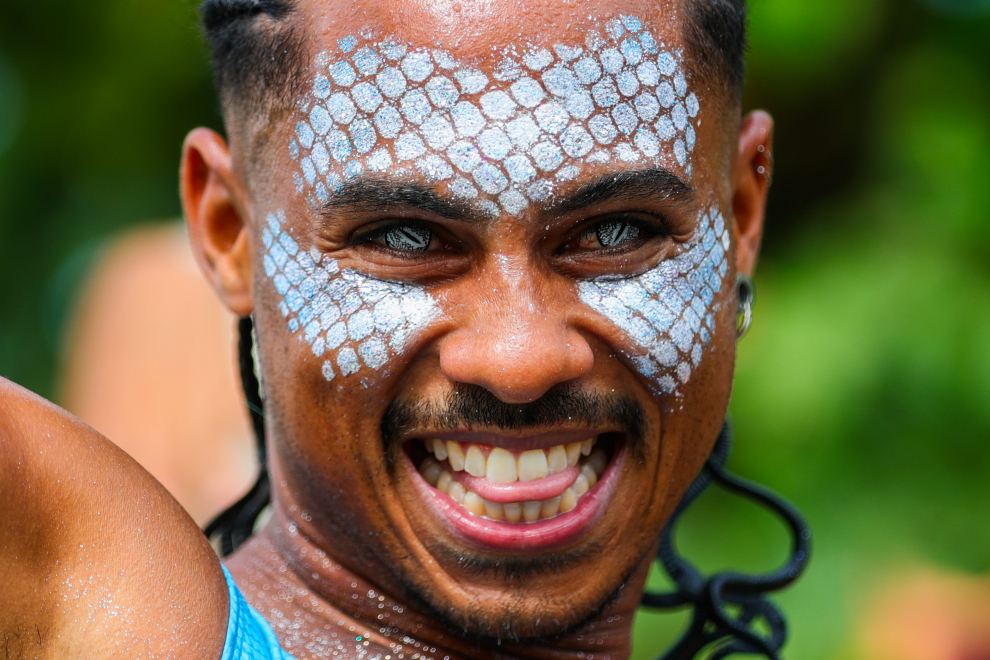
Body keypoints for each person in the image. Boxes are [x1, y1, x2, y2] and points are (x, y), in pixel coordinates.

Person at [0, 0, 782, 657]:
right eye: (405, 238)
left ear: (741, 215)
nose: (519, 356)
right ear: (229, 231)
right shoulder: (97, 603)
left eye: (615, 232)